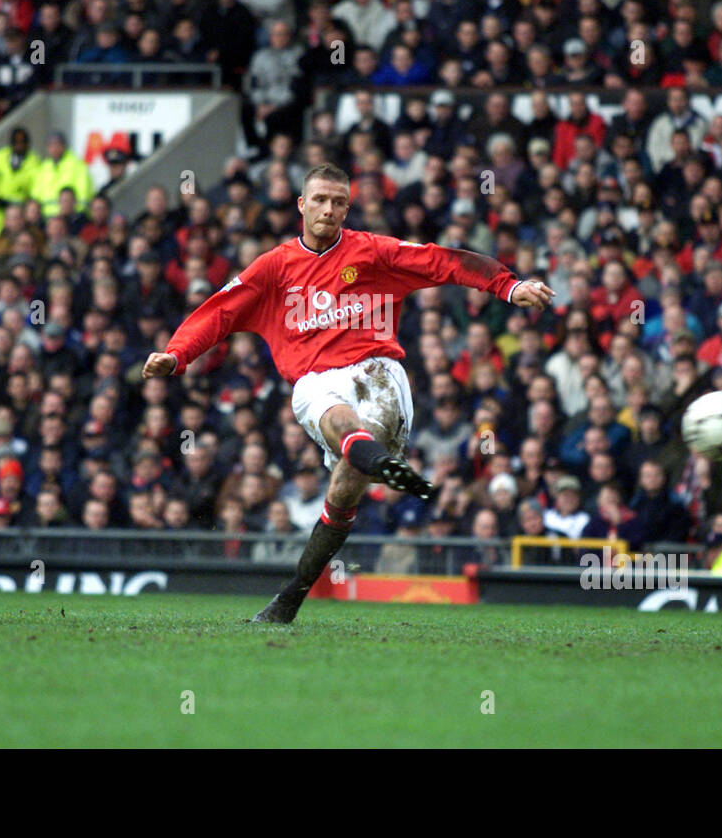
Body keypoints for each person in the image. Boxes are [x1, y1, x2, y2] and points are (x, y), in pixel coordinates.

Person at [142, 162, 553, 623]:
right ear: (301, 204)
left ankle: (360, 465)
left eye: (339, 202)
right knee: (338, 431)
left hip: (378, 369)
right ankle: (294, 591)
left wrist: (509, 285)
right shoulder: (275, 267)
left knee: (344, 490)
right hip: (315, 379)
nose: (329, 209)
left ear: (347, 208)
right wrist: (177, 355)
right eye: (319, 199)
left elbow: (444, 260)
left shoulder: (374, 253)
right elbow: (219, 311)